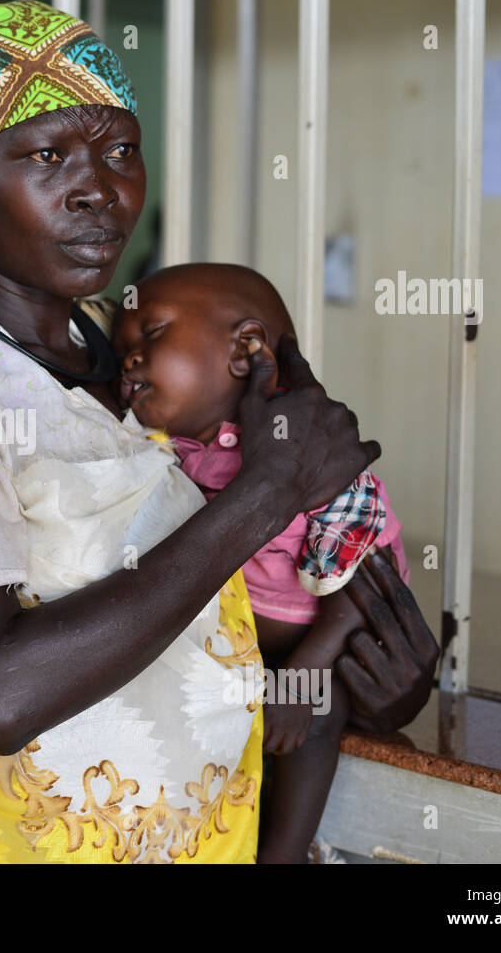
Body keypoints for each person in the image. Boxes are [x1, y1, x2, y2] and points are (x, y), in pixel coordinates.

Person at [0, 0, 437, 864]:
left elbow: (256, 601)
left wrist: (373, 687)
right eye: (47, 154)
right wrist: (267, 492)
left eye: (120, 151)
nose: (98, 186)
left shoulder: (140, 355)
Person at [113, 263, 413, 862]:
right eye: (122, 349)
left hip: (318, 647)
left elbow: (368, 582)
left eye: (151, 335)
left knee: (321, 708)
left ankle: (282, 854)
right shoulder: (170, 458)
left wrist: (304, 673)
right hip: (234, 650)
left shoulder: (312, 450)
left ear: (245, 348)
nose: (129, 360)